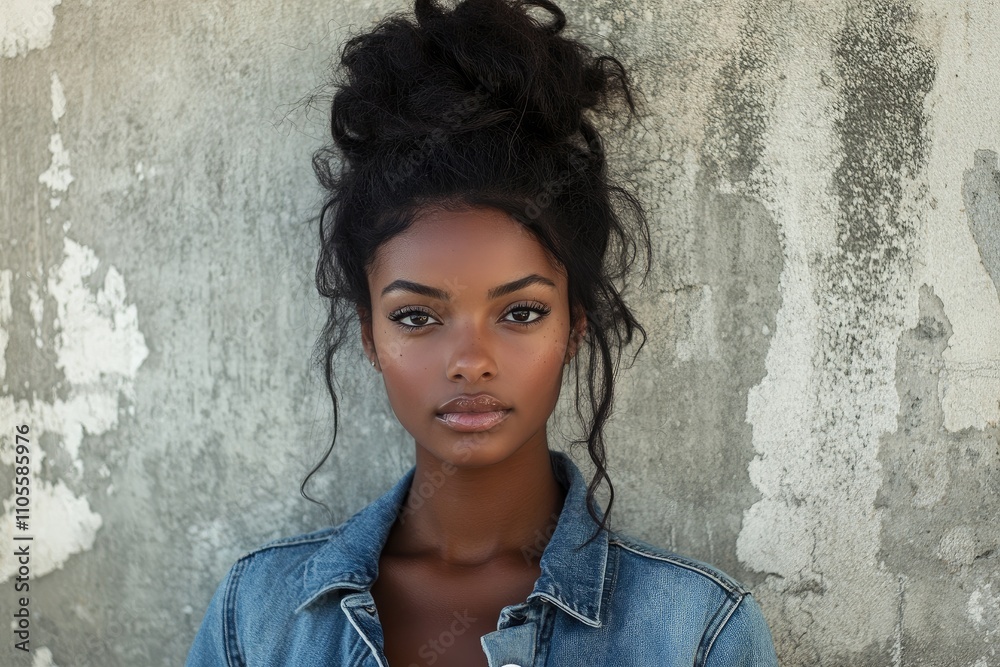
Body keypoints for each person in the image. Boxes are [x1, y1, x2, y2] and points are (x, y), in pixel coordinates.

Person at [185, 0, 779, 664]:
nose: (470, 360)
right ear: (369, 334)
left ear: (576, 325)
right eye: (417, 316)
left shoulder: (696, 633)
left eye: (520, 312)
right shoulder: (258, 617)